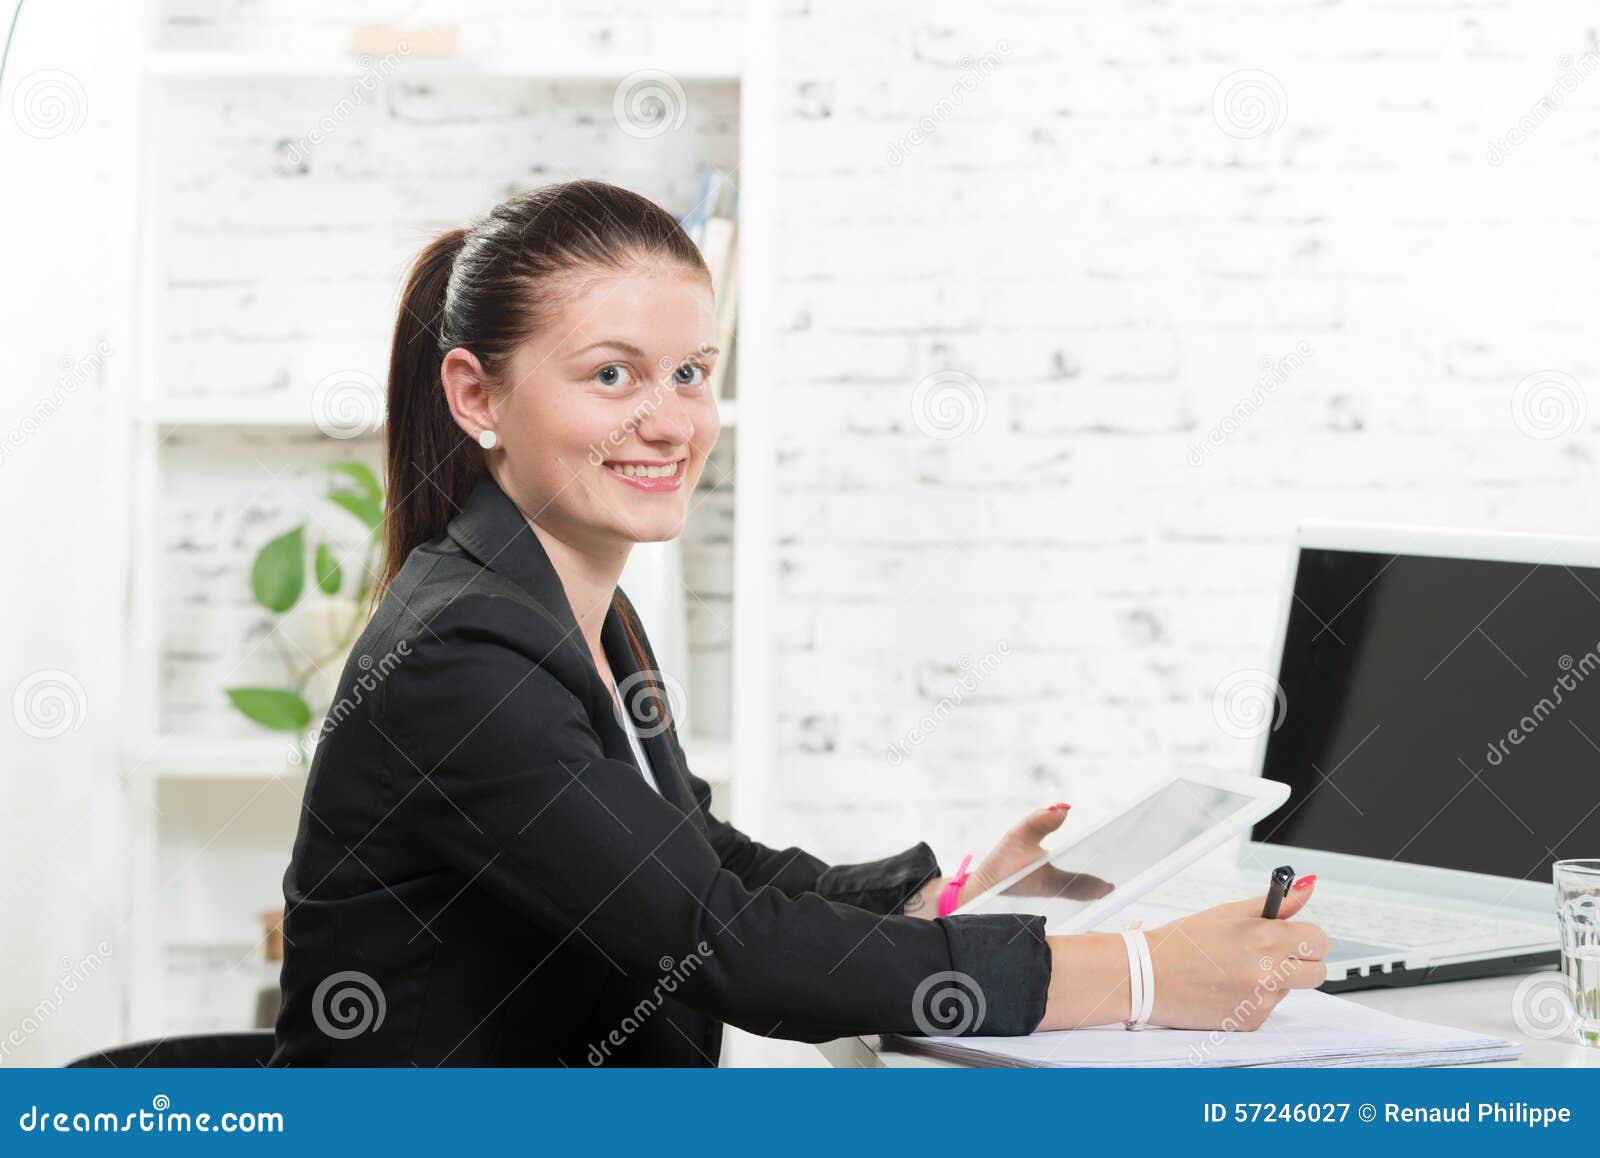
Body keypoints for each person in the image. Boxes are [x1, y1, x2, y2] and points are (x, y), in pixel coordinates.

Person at [269, 179, 1328, 1066]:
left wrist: (936, 899)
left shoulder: (582, 613)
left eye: (691, 373)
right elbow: (718, 946)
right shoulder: (463, 658)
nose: (668, 419)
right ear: (476, 396)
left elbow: (693, 863)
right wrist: (1144, 975)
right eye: (610, 374)